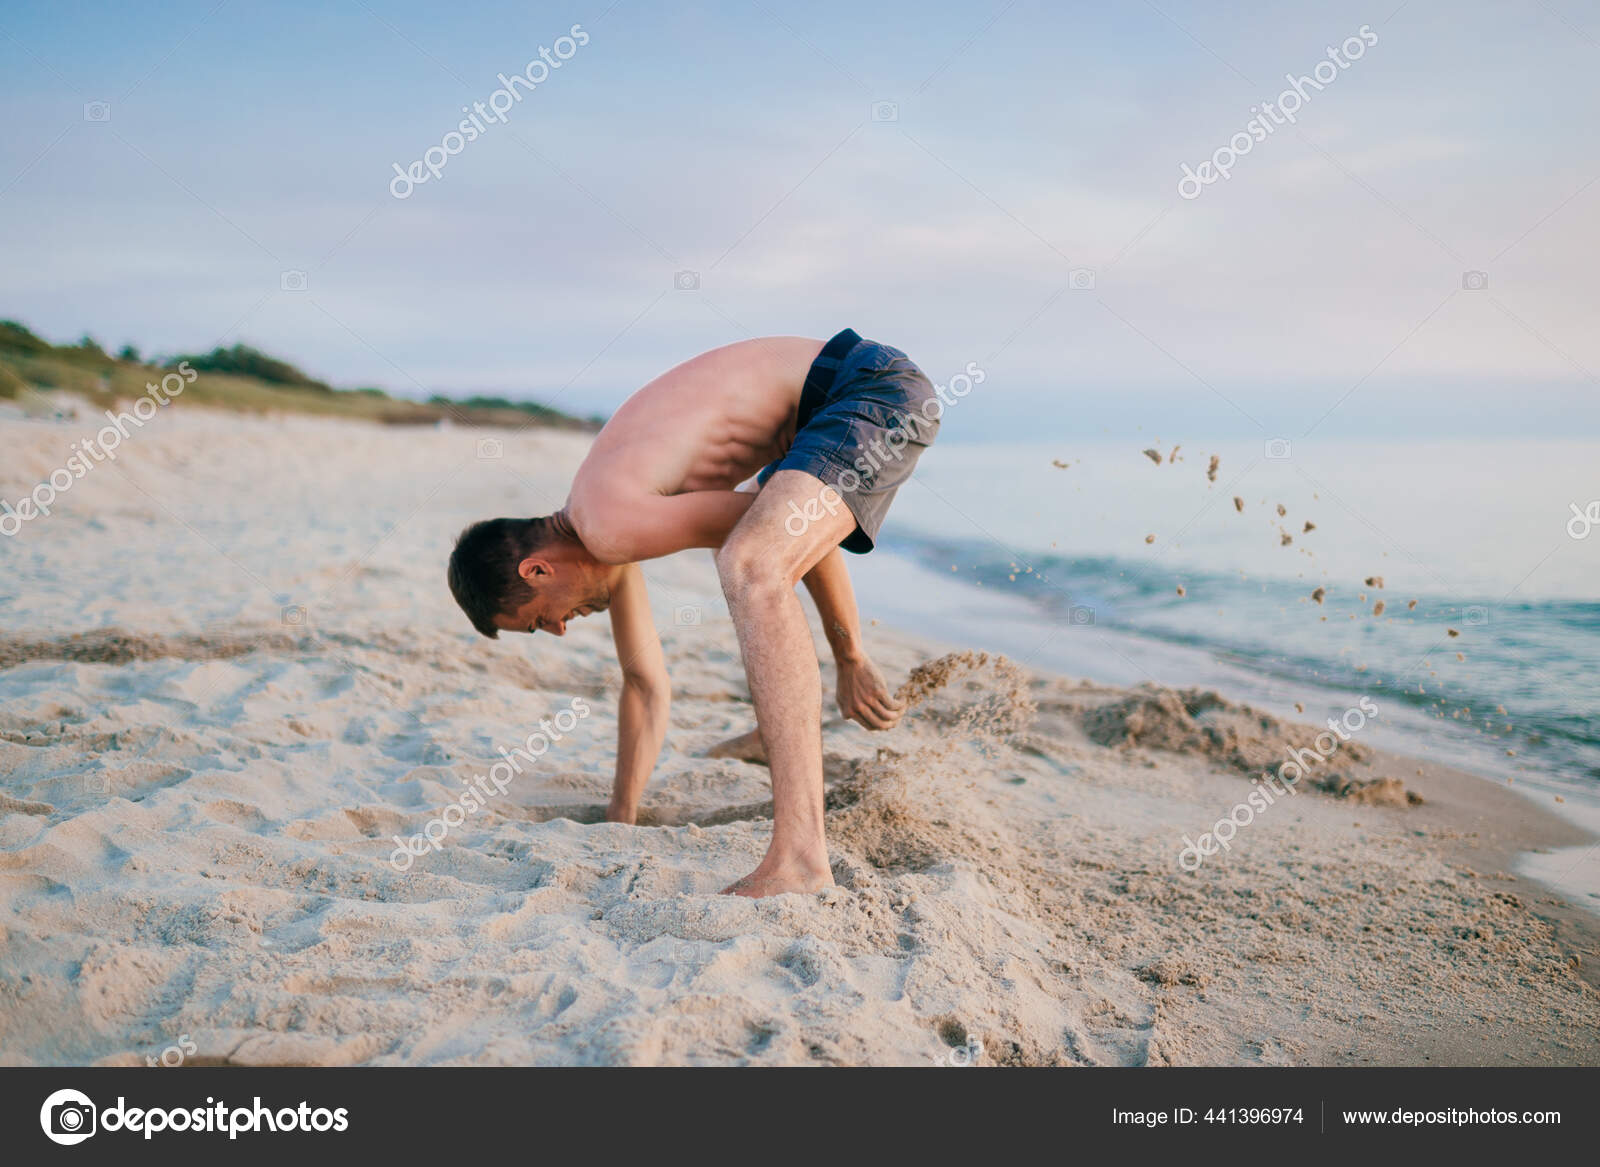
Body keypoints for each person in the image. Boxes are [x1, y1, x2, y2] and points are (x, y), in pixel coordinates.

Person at [447, 328, 943, 896]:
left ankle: (801, 861)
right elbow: (644, 682)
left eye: (539, 620)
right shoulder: (604, 530)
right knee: (751, 553)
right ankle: (775, 734)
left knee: (749, 562)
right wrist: (621, 812)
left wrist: (850, 654)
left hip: (866, 389)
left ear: (536, 570)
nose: (559, 629)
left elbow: (782, 533)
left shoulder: (608, 525)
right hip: (833, 409)